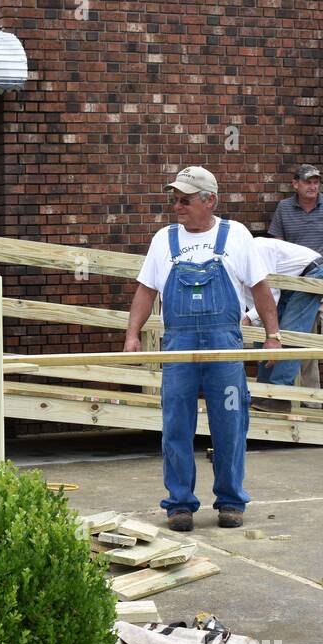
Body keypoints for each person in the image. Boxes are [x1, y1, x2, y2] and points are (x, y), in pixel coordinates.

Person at [125, 166, 280, 532]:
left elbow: (260, 288)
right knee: (176, 427)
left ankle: (230, 501)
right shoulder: (164, 239)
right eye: (175, 200)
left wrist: (272, 334)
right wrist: (132, 332)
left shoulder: (236, 236)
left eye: (186, 200)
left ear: (209, 200)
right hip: (178, 348)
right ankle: (179, 504)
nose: (178, 206)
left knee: (229, 425)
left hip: (224, 348)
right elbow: (146, 291)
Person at [268, 164, 323, 413]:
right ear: (295, 184)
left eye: (317, 181)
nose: (313, 186)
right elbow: (277, 246)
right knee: (302, 333)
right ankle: (311, 396)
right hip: (299, 276)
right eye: (308, 181)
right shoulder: (284, 209)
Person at [246, 231, 323, 411]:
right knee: (265, 333)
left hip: (311, 271)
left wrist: (247, 319)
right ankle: (264, 392)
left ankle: (281, 397)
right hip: (288, 282)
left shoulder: (256, 250)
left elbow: (271, 297)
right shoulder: (237, 266)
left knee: (291, 333)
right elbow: (256, 307)